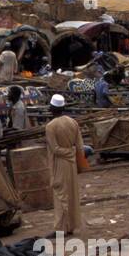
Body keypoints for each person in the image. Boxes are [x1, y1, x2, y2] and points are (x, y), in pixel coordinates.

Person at [44, 94, 85, 234]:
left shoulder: (50, 126)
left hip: (60, 163)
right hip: (71, 163)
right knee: (72, 194)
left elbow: (55, 149)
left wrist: (69, 153)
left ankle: (60, 228)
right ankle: (72, 225)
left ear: (52, 108)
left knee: (60, 194)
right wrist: (73, 154)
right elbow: (80, 145)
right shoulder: (73, 122)